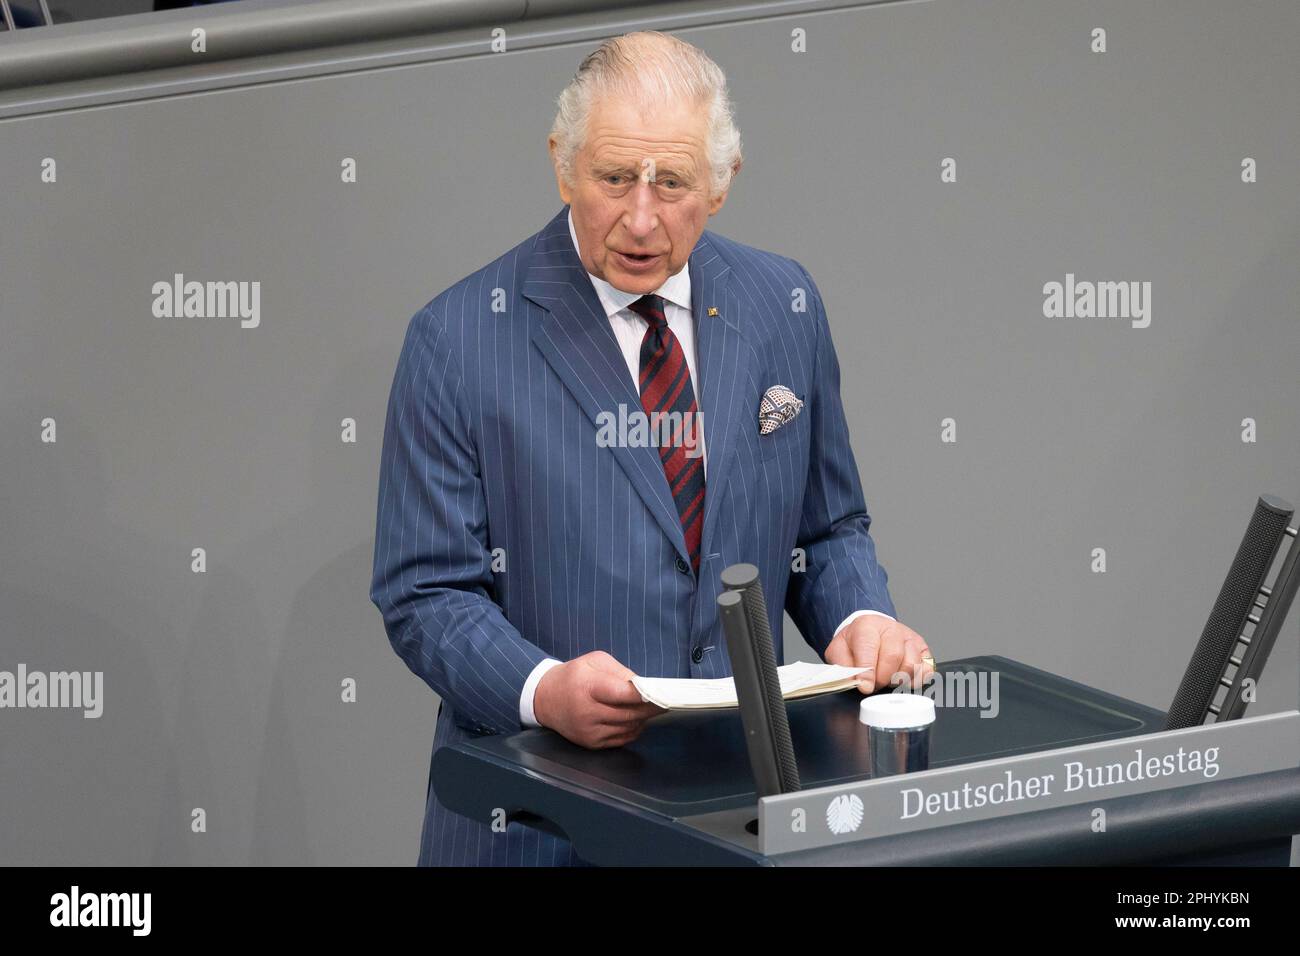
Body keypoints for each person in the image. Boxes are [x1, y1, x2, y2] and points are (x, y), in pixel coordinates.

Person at [370, 30, 935, 866]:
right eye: (612, 179)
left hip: (740, 824)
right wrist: (542, 690)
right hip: (542, 830)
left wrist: (862, 618)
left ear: (722, 182)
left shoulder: (784, 304)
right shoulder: (456, 341)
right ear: (562, 163)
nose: (640, 217)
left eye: (672, 182)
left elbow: (826, 528)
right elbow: (426, 593)